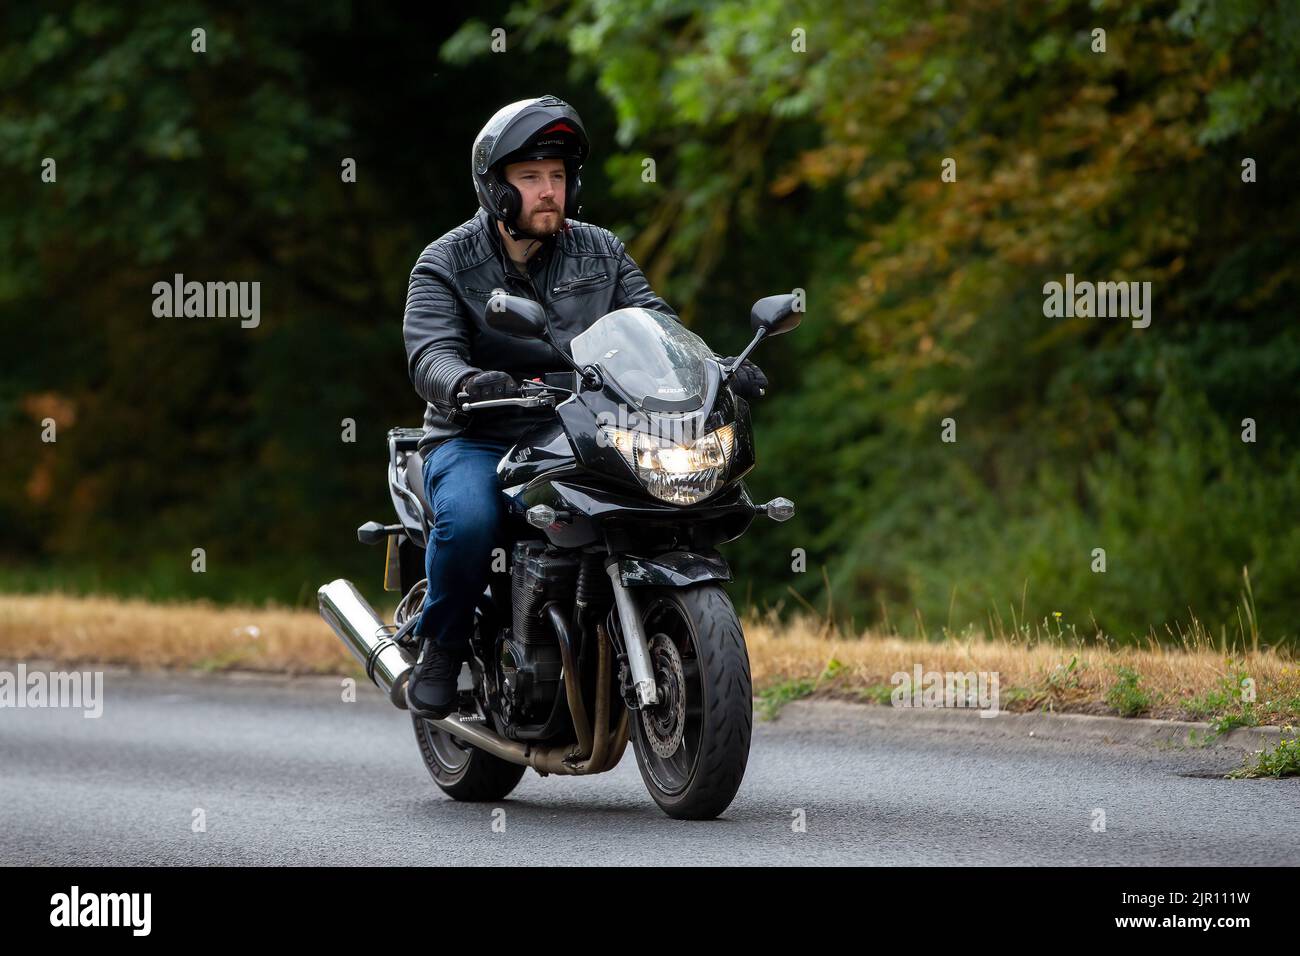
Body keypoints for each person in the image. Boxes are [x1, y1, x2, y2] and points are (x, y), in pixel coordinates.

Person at [400, 95, 768, 718]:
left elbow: (654, 323)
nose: (549, 191)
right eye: (531, 178)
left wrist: (714, 367)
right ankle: (443, 649)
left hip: (582, 424)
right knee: (469, 521)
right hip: (479, 433)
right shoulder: (445, 262)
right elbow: (428, 355)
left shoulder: (601, 251)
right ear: (497, 189)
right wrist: (464, 383)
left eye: (558, 177)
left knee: (663, 496)